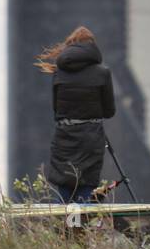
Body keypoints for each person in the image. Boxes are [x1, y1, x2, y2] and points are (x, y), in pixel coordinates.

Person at [35, 25, 116, 204]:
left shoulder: (58, 73)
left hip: (64, 137)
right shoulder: (103, 73)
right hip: (91, 138)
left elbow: (57, 110)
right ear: (92, 48)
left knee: (64, 188)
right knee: (86, 188)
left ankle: (65, 230)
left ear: (70, 46)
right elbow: (109, 112)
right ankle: (81, 228)